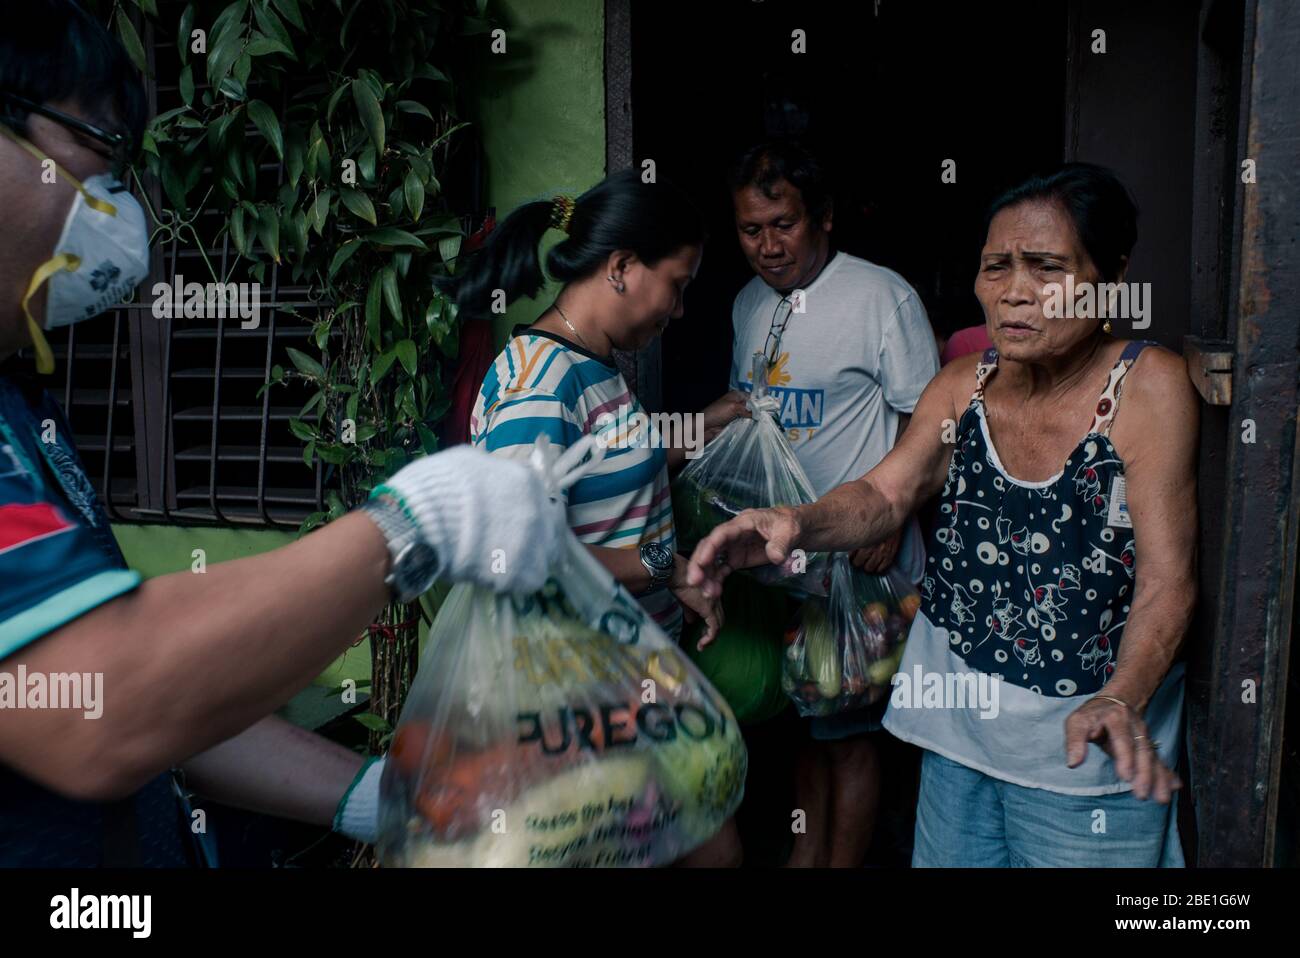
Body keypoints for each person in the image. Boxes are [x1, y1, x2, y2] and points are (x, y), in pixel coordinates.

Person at [0, 2, 568, 867]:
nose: (116, 207)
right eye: (97, 154)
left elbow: (157, 702)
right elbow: (89, 704)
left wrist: (375, 798)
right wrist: (414, 524)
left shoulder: (18, 410)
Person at [690, 162, 1196, 867]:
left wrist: (1124, 696)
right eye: (997, 268)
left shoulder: (1149, 389)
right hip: (958, 740)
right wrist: (793, 523)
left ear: (1111, 272)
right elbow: (885, 495)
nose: (1014, 293)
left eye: (1046, 268)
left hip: (1086, 752)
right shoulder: (966, 384)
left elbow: (1169, 581)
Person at [446, 170, 749, 864]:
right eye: (676, 284)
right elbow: (517, 555)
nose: (677, 310)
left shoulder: (595, 366)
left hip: (629, 673)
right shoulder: (540, 384)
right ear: (620, 267)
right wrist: (664, 568)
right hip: (579, 692)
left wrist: (705, 427)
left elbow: (603, 472)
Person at [726, 140, 939, 867]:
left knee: (849, 736)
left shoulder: (883, 297)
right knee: (804, 729)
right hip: (779, 564)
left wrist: (895, 515)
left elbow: (928, 422)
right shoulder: (749, 304)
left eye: (782, 224)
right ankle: (804, 856)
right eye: (751, 230)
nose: (767, 246)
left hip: (860, 562)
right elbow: (747, 416)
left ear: (823, 218)